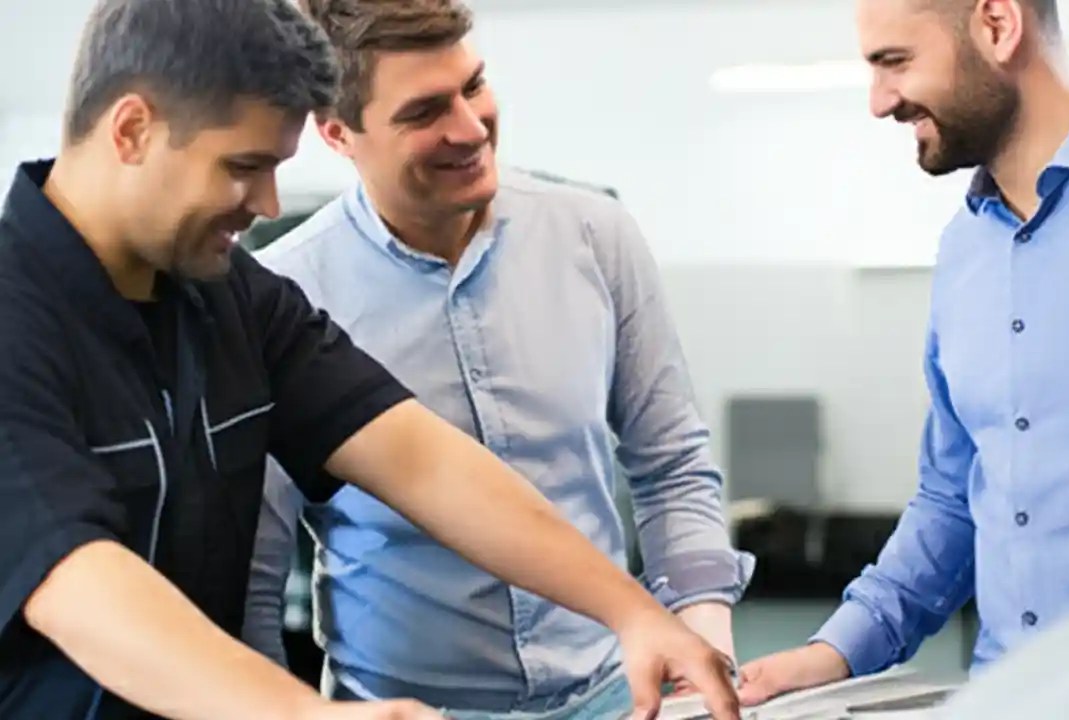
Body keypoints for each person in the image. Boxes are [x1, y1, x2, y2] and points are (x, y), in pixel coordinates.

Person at [0, 0, 743, 718]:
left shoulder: (235, 300)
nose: (265, 202)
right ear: (133, 130)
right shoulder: (15, 316)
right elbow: (77, 578)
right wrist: (297, 712)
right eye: (244, 165)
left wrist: (631, 612)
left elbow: (420, 460)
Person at [735, 0, 1069, 705]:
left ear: (998, 25)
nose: (878, 102)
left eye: (895, 62)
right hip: (1009, 696)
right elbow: (952, 499)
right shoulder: (965, 252)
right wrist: (833, 652)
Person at [238, 1, 753, 717]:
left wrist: (700, 641)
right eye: (424, 113)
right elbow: (252, 575)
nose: (471, 128)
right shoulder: (285, 295)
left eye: (473, 86)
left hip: (618, 694)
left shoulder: (593, 236)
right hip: (409, 709)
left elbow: (671, 463)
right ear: (336, 132)